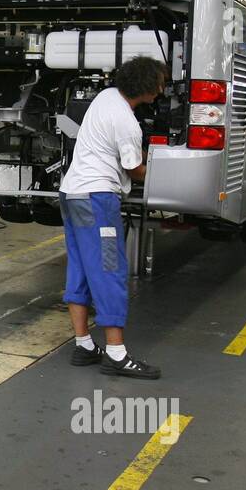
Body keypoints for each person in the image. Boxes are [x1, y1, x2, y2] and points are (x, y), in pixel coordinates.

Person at [58, 56, 166, 379]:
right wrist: (165, 168)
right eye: (159, 85)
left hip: (71, 193)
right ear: (147, 88)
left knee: (79, 267)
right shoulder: (128, 123)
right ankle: (117, 354)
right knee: (109, 270)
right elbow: (135, 169)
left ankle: (84, 344)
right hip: (97, 199)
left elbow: (115, 149)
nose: (161, 91)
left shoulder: (105, 98)